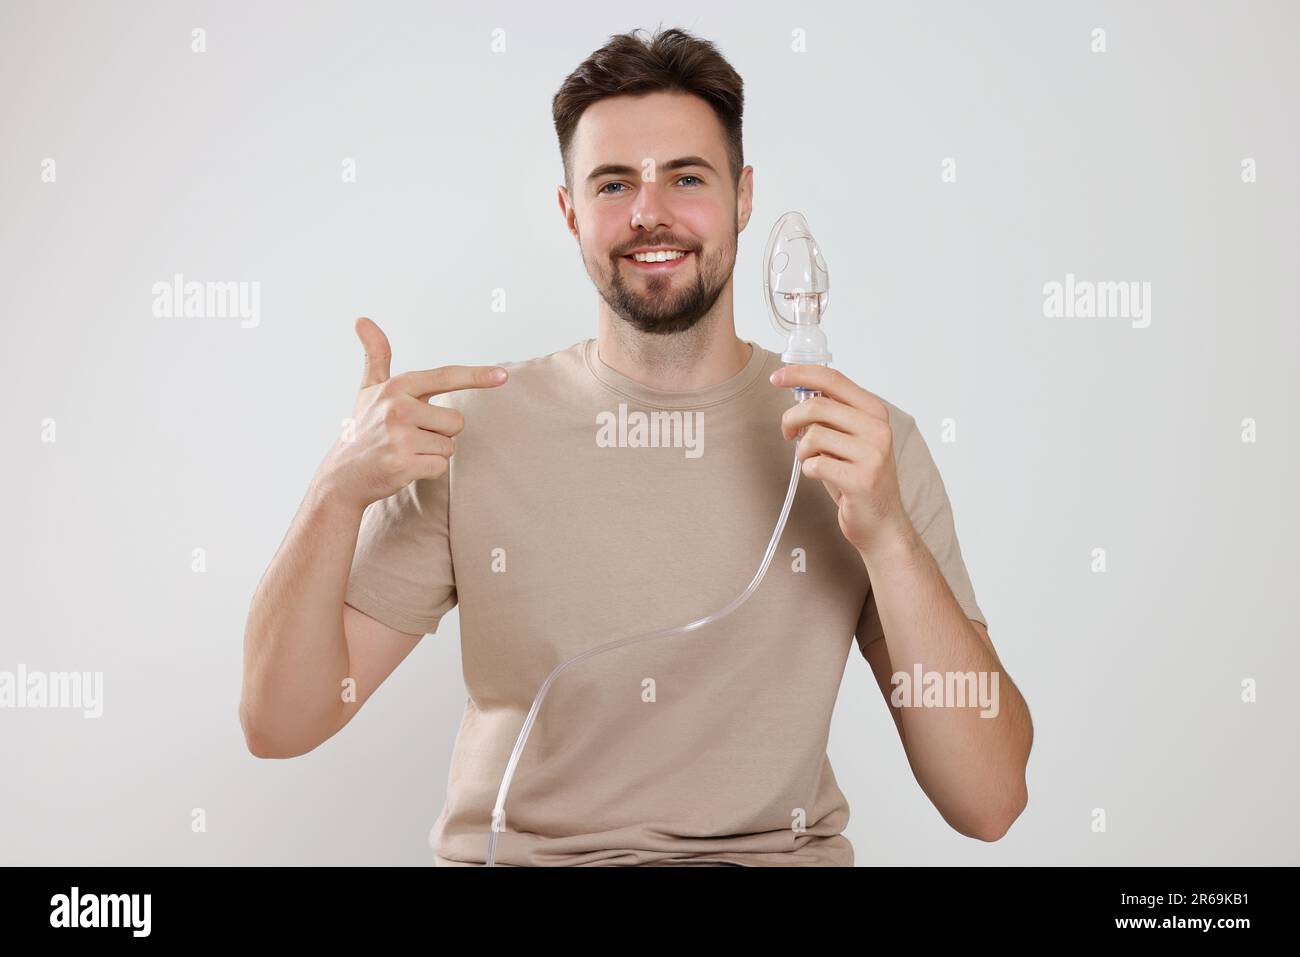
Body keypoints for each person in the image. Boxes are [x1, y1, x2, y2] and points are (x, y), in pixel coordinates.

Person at [240, 26, 1032, 867]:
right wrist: (337, 489)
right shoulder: (473, 429)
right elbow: (280, 723)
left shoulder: (860, 447)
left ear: (743, 196)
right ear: (569, 210)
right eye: (614, 182)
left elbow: (988, 800)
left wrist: (890, 535)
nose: (650, 210)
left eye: (687, 177)